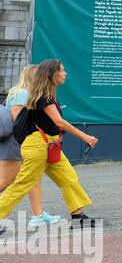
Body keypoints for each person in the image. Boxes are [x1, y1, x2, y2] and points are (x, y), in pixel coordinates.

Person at [0, 59, 98, 230]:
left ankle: (77, 216)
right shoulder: (43, 97)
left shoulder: (47, 94)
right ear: (52, 74)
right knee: (23, 184)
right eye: (62, 70)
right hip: (37, 145)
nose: (65, 73)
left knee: (68, 177)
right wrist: (84, 136)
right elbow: (59, 122)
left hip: (50, 144)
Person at [1, 65, 61, 229]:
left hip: (19, 142)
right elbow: (17, 121)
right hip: (17, 142)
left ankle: (38, 215)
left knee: (32, 178)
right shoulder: (22, 93)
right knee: (7, 181)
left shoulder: (22, 93)